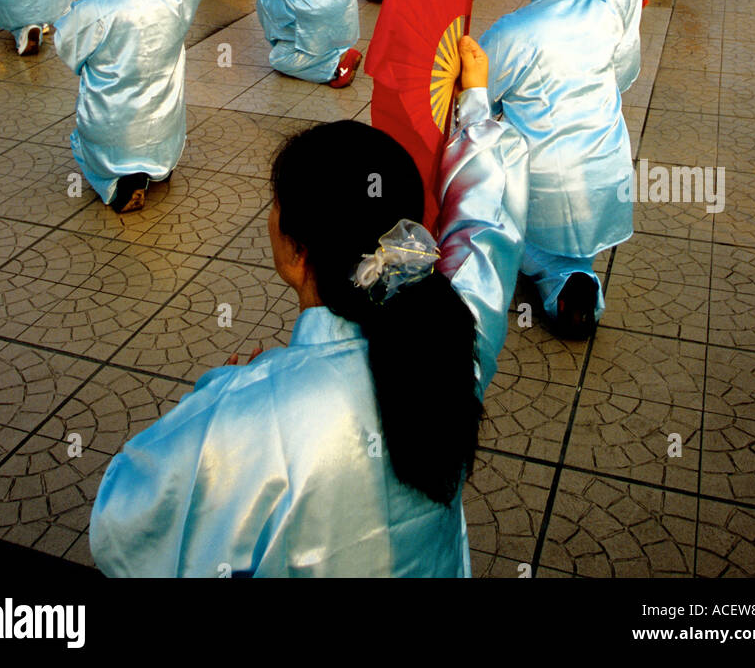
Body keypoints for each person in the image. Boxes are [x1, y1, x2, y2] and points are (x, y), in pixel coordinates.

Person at [89, 36, 528, 578]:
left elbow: (119, 528)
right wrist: (476, 100)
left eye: (276, 205)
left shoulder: (249, 412)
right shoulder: (454, 337)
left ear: (298, 250)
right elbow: (488, 219)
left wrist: (219, 397)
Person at [481, 0, 675, 339]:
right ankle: (581, 277)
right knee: (573, 249)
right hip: (605, 176)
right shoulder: (605, 0)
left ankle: (556, 282)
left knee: (504, 205)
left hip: (542, 187)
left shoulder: (512, 31)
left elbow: (471, 106)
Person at [54, 0, 231, 215]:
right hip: (163, 133)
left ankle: (119, 184)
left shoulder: (93, 10)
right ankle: (156, 167)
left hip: (113, 135)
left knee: (81, 138)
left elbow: (67, 48)